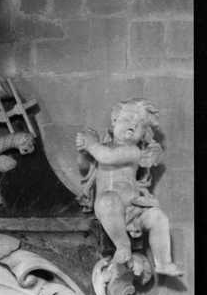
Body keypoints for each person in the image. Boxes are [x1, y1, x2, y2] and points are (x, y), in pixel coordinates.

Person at [76, 99, 181, 276]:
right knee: (108, 201)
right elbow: (85, 168)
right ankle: (122, 245)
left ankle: (163, 262)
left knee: (158, 218)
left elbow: (107, 157)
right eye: (127, 120)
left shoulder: (132, 151)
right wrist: (82, 151)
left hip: (132, 205)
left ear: (144, 135)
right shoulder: (102, 148)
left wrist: (91, 144)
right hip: (109, 206)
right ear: (114, 121)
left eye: (138, 125)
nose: (132, 127)